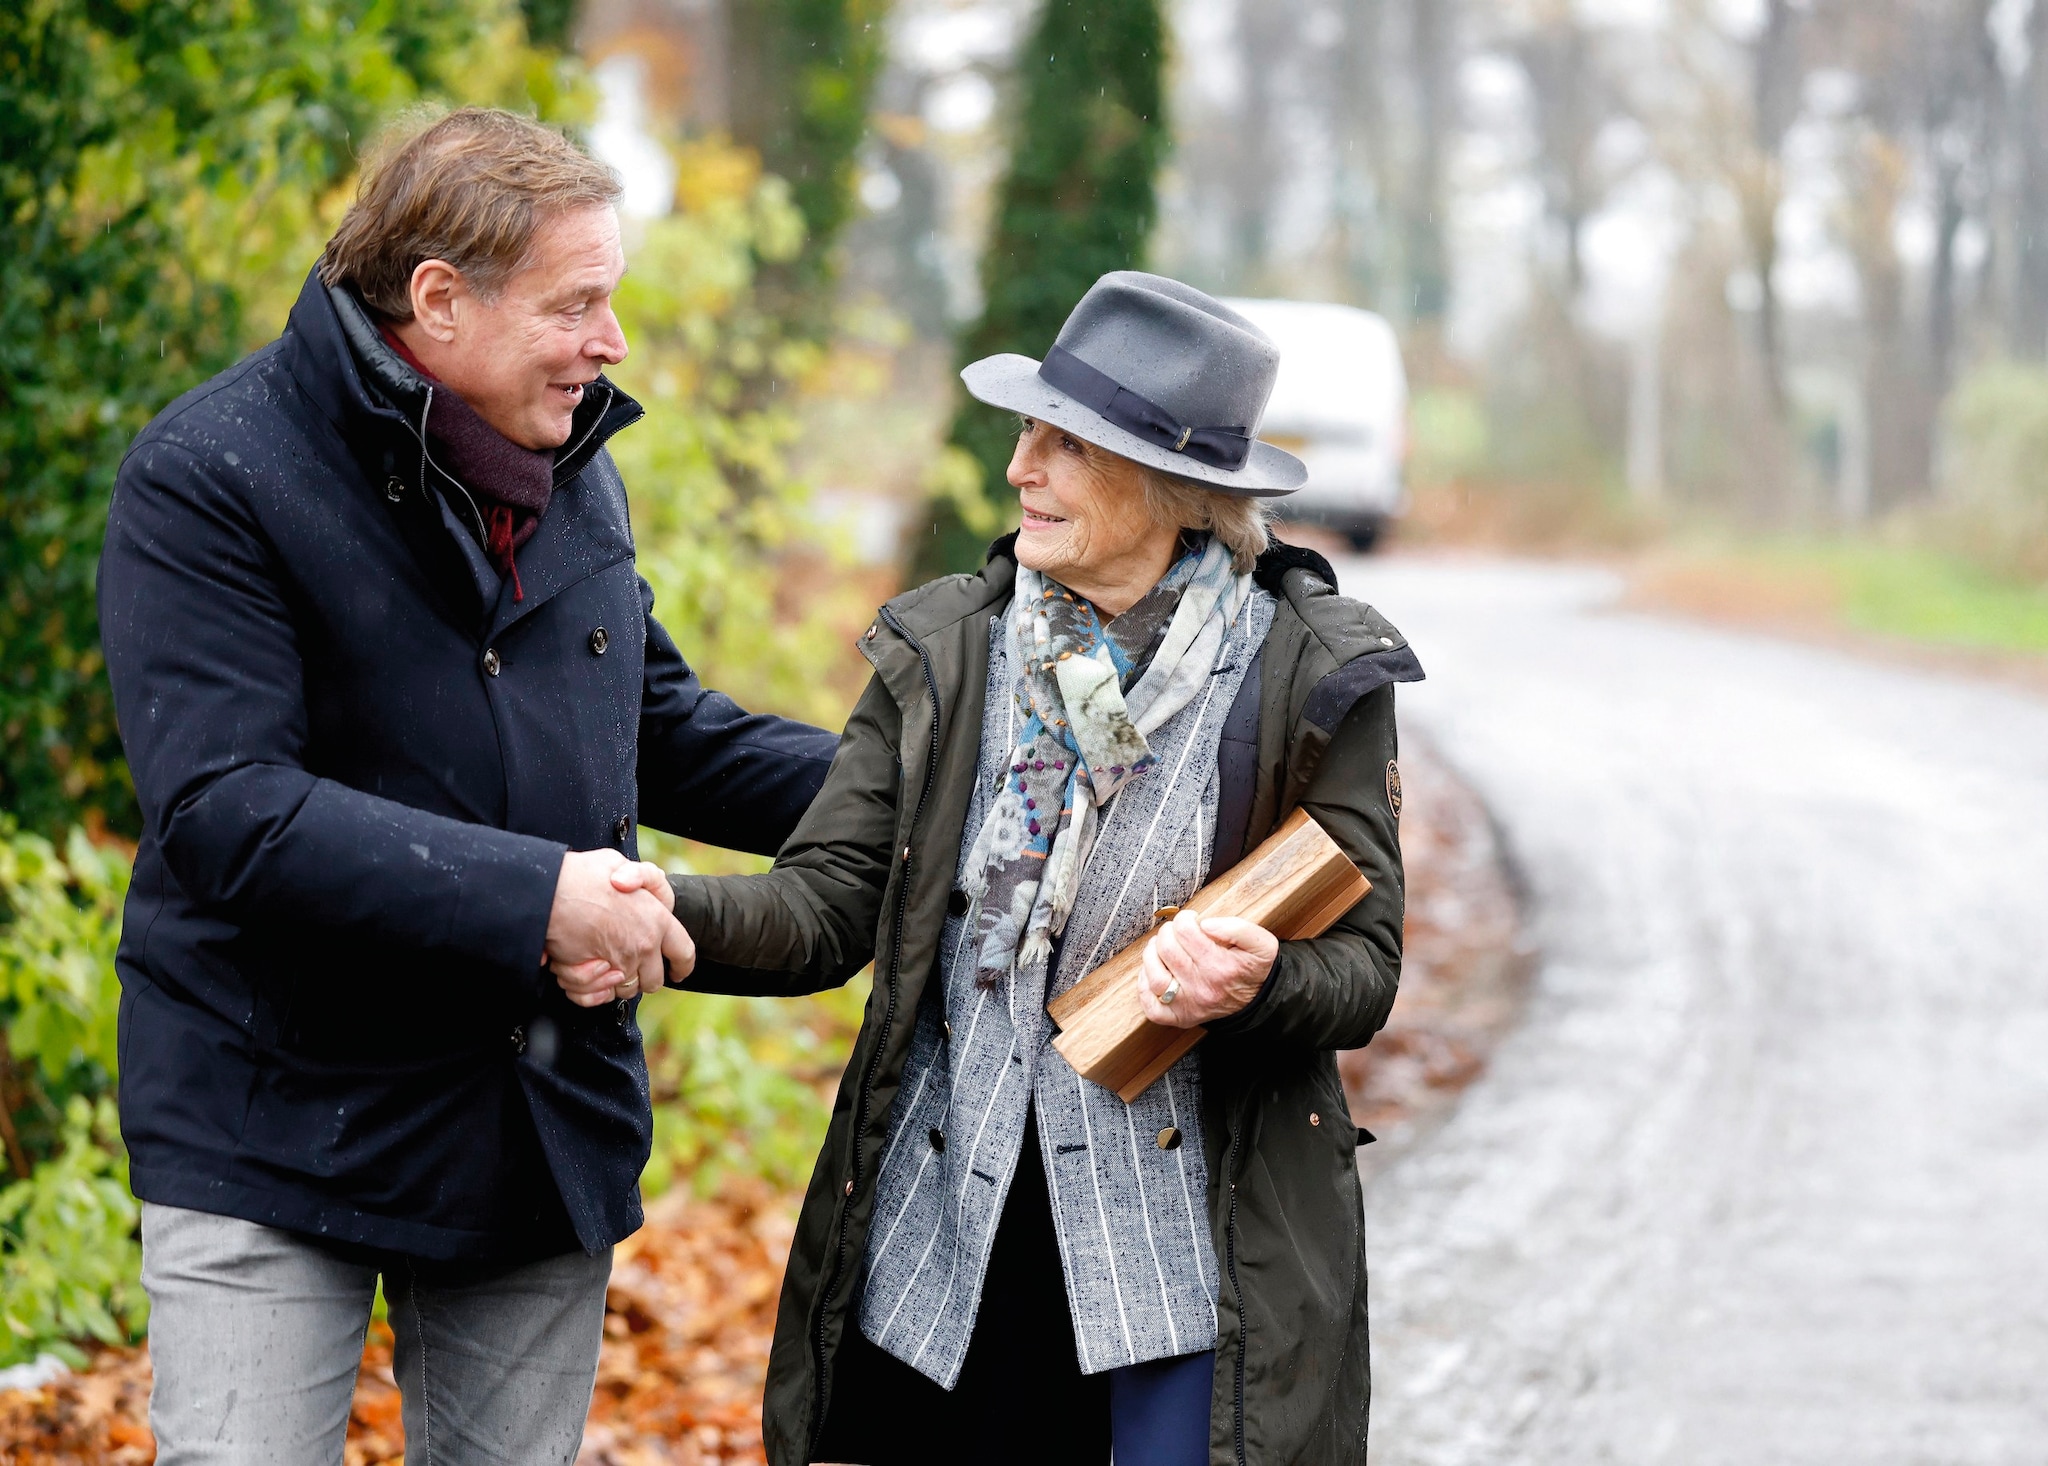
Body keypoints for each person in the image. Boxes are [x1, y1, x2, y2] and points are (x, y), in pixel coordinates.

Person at [97, 108, 840, 1465]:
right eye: (579, 304)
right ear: (439, 299)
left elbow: (657, 728)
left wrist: (923, 780)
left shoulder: (568, 469)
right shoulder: (212, 476)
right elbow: (228, 811)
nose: (611, 343)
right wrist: (542, 896)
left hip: (529, 1120)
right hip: (273, 1116)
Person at [608, 272, 1424, 1464]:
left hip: (1188, 1261)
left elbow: (1363, 966)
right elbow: (831, 902)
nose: (1018, 470)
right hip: (951, 1242)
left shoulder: (1306, 675)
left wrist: (1258, 981)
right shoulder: (949, 648)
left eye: (1063, 444)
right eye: (1023, 433)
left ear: (1174, 487)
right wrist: (656, 913)